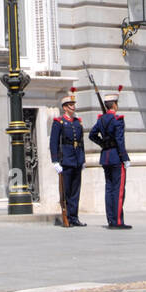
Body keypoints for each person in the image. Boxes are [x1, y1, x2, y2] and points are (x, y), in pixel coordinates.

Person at [89, 91, 130, 229]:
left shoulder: (101, 119)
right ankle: (118, 221)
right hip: (116, 158)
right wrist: (125, 157)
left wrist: (102, 143)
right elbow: (120, 141)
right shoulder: (117, 120)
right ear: (115, 105)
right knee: (118, 191)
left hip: (105, 157)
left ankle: (111, 220)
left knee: (109, 190)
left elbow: (92, 135)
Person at [49, 93, 86, 227]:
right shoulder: (59, 122)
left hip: (76, 160)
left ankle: (74, 217)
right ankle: (66, 217)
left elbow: (81, 142)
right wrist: (55, 161)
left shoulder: (77, 122)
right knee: (66, 191)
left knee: (76, 190)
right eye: (70, 105)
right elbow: (53, 142)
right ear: (64, 108)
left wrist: (83, 159)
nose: (73, 107)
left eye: (73, 105)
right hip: (65, 160)